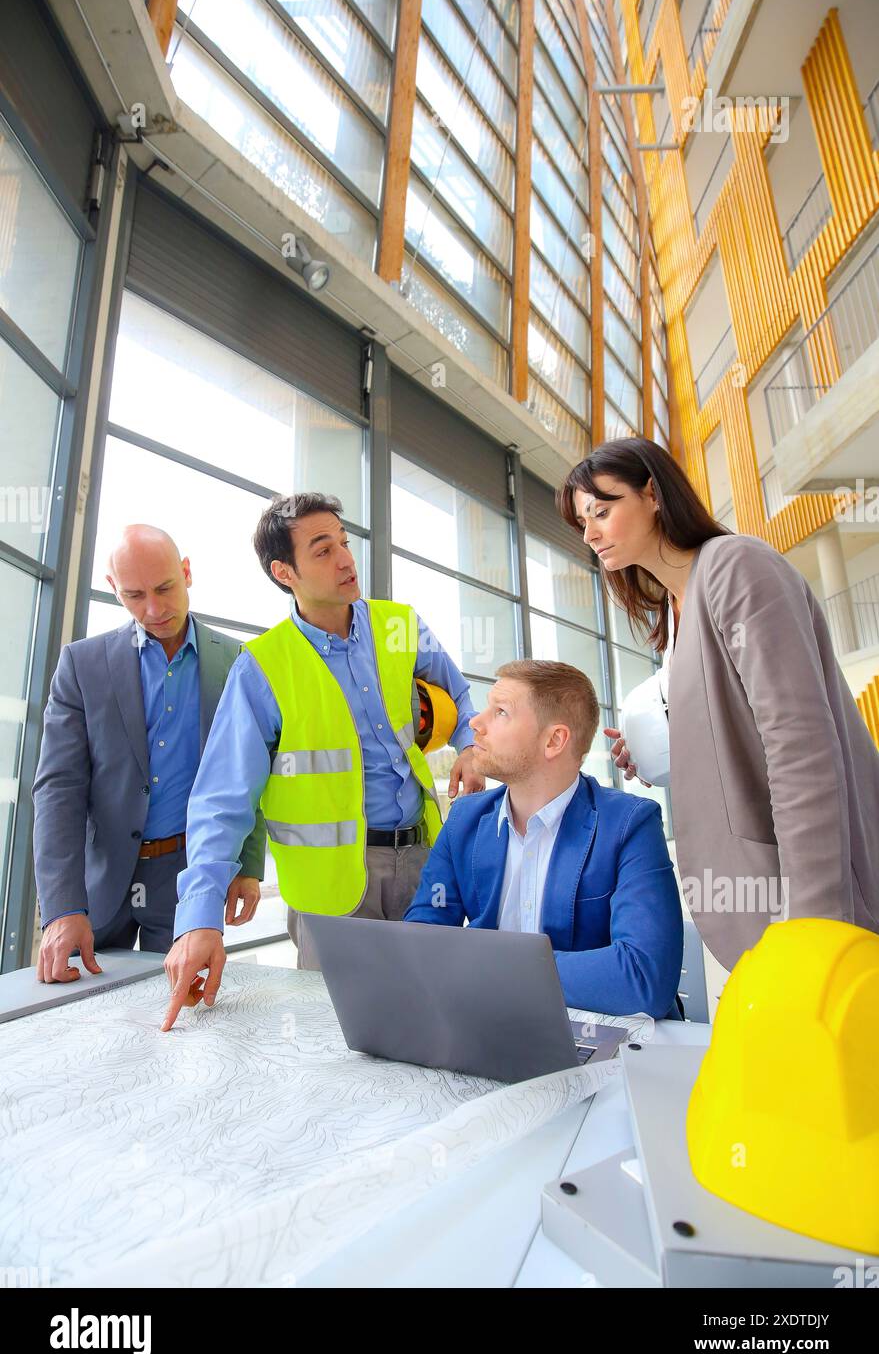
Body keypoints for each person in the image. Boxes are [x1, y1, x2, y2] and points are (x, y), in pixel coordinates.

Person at [162, 492, 484, 1030]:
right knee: (340, 1045)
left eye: (344, 542)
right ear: (284, 571)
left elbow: (462, 693)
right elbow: (221, 800)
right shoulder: (263, 666)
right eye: (322, 550)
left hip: (425, 862)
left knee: (440, 1024)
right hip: (332, 892)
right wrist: (198, 918)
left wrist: (472, 744)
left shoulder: (400, 623)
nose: (345, 559)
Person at [558, 437, 879, 971]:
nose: (590, 533)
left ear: (654, 495)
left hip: (812, 909)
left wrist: (813, 925)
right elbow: (734, 738)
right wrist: (659, 749)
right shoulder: (677, 616)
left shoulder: (736, 567)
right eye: (582, 522)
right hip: (752, 905)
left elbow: (800, 748)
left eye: (602, 510)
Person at [33, 526, 266, 980]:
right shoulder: (81, 666)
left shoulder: (238, 662)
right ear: (112, 589)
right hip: (97, 880)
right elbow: (57, 789)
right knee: (86, 1022)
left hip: (187, 878)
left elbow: (249, 774)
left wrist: (248, 864)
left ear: (186, 573)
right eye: (135, 595)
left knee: (186, 1016)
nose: (155, 610)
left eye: (165, 588)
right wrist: (61, 907)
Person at [404, 660, 684, 1017]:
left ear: (554, 740)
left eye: (500, 712)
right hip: (492, 1030)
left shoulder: (630, 825)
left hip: (606, 1045)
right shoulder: (465, 820)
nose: (475, 722)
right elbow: (420, 944)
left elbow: (644, 979)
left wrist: (493, 967)